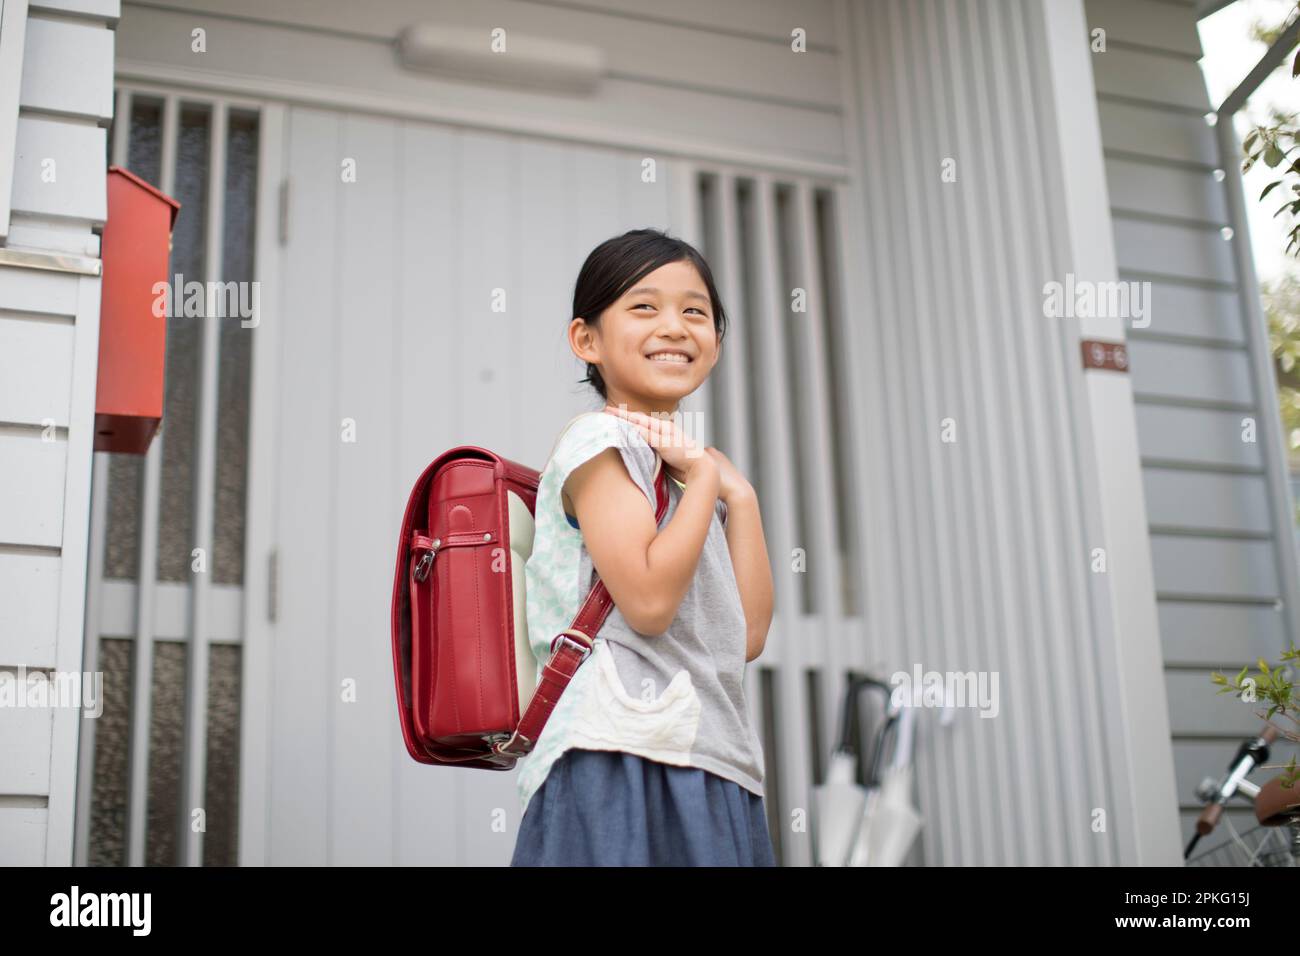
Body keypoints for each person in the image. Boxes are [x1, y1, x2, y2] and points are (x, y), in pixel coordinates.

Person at [510, 227, 777, 866]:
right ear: (587, 340)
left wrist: (740, 501)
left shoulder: (684, 469)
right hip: (619, 754)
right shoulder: (599, 442)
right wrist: (709, 478)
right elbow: (650, 603)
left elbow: (744, 637)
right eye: (644, 306)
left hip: (710, 755)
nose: (676, 326)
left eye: (695, 311)